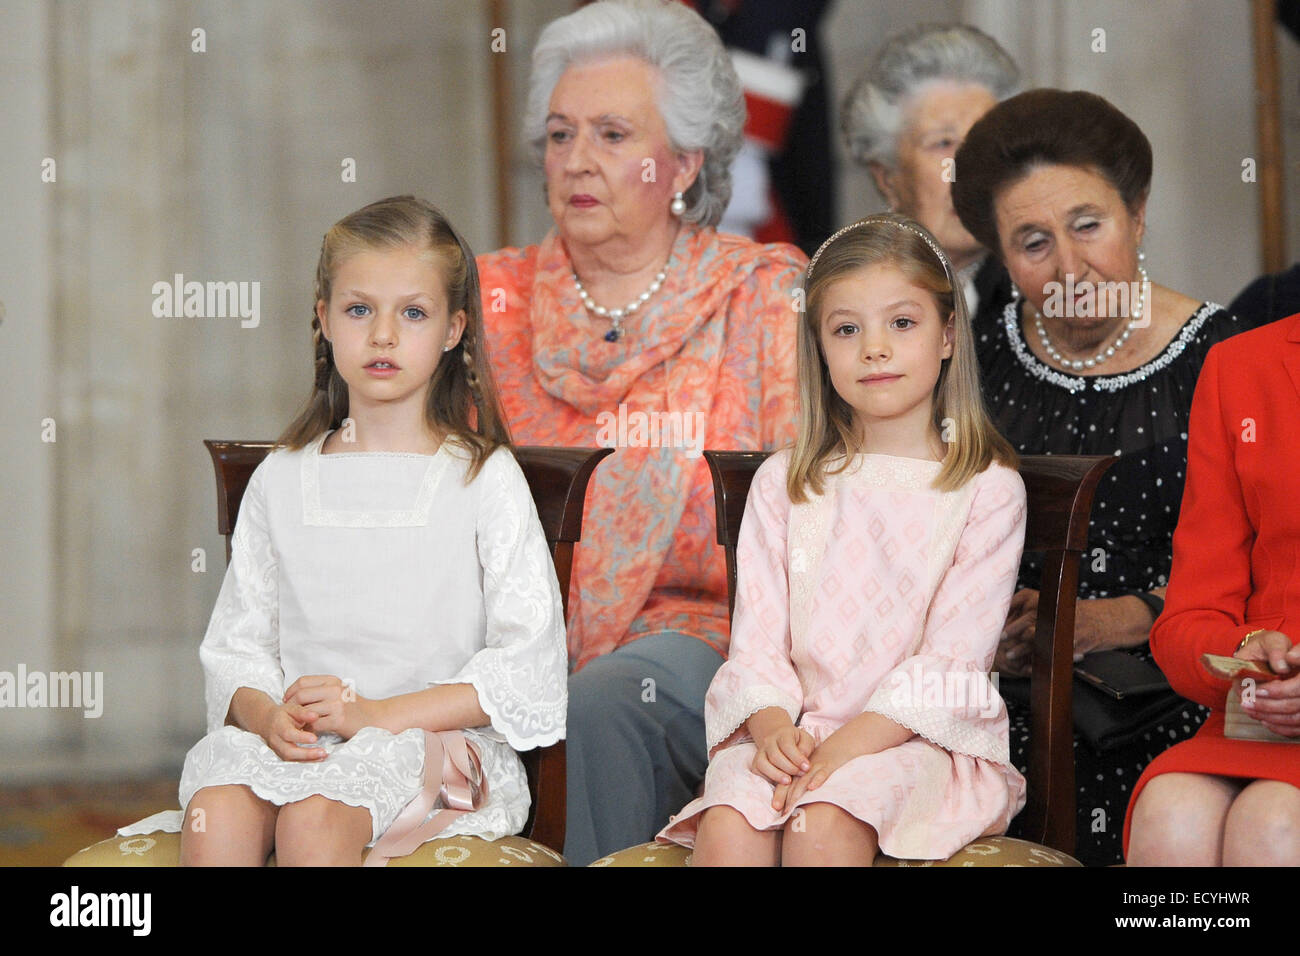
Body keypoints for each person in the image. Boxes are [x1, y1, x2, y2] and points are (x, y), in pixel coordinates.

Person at [121, 196, 567, 865]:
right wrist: (269, 717)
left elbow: (525, 664)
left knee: (314, 817)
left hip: (428, 745)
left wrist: (377, 715)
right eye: (360, 310)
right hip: (299, 740)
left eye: (413, 312)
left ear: (454, 329)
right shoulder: (282, 477)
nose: (383, 335)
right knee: (217, 811)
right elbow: (238, 645)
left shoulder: (482, 479)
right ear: (324, 317)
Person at [477, 0, 805, 866]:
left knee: (599, 704)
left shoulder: (766, 297)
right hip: (504, 645)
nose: (577, 159)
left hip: (704, 645)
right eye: (559, 134)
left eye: (614, 134)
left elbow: (816, 524)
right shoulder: (485, 302)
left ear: (685, 163)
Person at [657, 214, 1027, 865]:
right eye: (847, 329)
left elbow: (951, 667)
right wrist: (772, 728)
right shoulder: (787, 483)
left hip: (922, 743)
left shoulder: (985, 488)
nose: (873, 349)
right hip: (795, 731)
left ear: (947, 336)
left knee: (822, 824)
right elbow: (758, 644)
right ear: (820, 349)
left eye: (902, 323)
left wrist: (842, 750)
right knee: (728, 831)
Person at [951, 89, 1247, 865]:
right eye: (1033, 242)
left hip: (1173, 689)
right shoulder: (967, 365)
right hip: (996, 695)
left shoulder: (1227, 361)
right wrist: (985, 628)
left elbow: (1273, 569)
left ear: (1138, 216)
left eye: (1089, 225)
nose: (1072, 266)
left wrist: (1123, 617)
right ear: (1000, 255)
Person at [1125, 313, 1300, 866]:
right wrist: (1245, 655)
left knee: (1273, 822)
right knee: (1171, 812)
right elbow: (1189, 616)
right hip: (1259, 720)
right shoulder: (1238, 365)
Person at [840, 23, 1019, 326]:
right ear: (887, 177)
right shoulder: (832, 290)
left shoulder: (1041, 296)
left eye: (986, 139)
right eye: (943, 143)